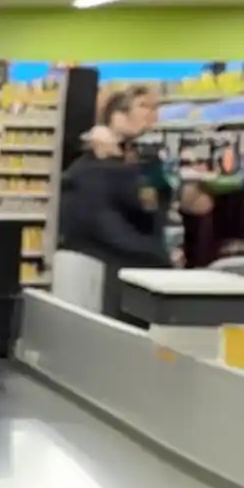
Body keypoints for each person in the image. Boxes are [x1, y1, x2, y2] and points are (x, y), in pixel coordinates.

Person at [60, 90, 172, 319]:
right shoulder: (92, 168)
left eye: (155, 107)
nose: (153, 114)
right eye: (144, 106)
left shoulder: (146, 163)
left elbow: (155, 206)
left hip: (142, 270)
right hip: (115, 272)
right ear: (117, 116)